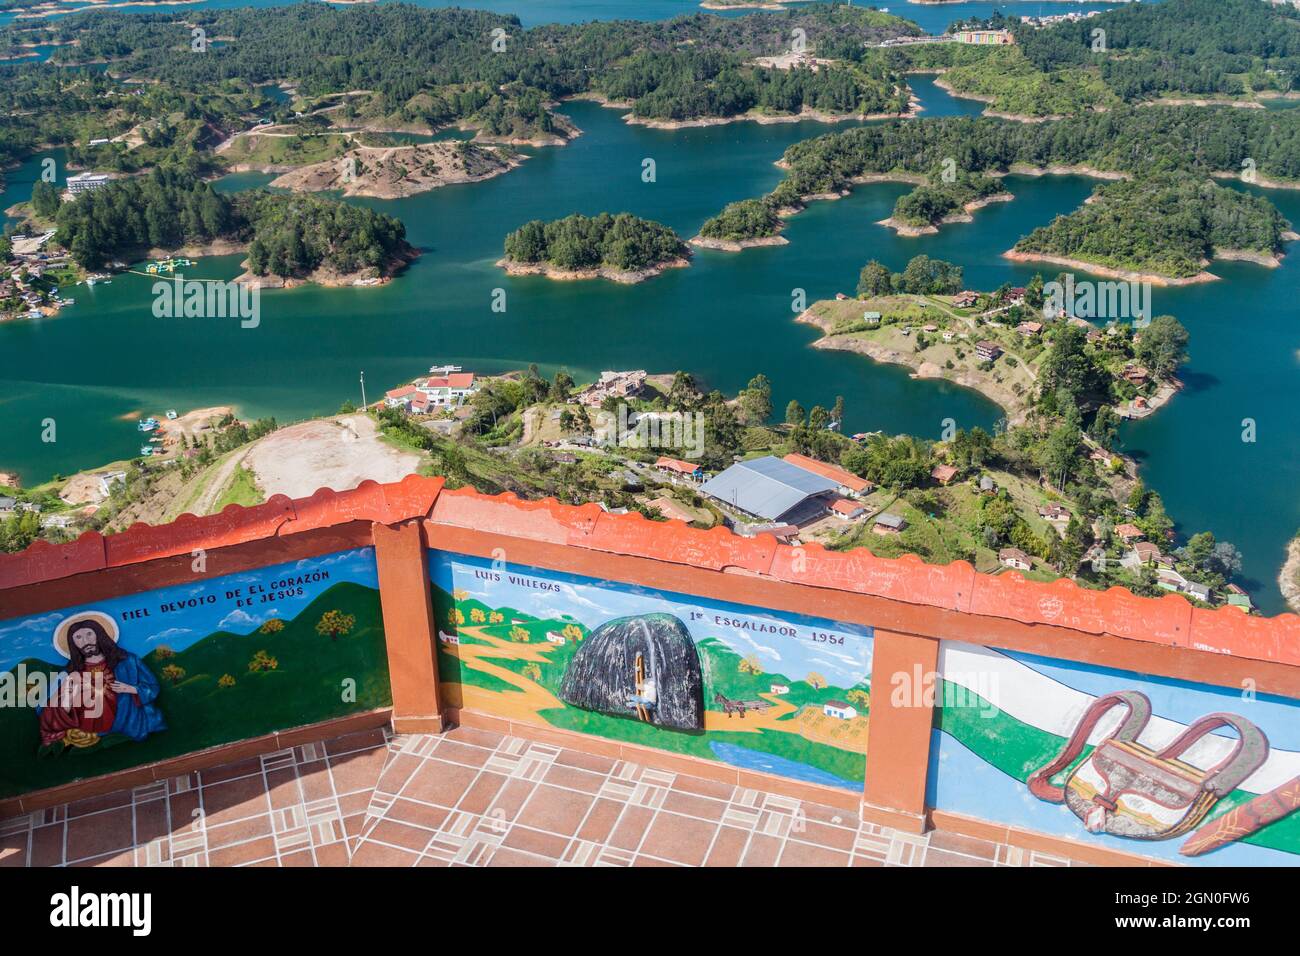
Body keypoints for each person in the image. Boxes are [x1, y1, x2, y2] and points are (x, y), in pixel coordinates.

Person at [38, 611, 165, 751]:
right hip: (89, 727)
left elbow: (152, 687)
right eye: (78, 637)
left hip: (128, 719)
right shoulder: (70, 673)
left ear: (99, 635)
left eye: (89, 634)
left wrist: (131, 688)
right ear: (73, 643)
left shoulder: (127, 661)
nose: (85, 641)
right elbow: (49, 710)